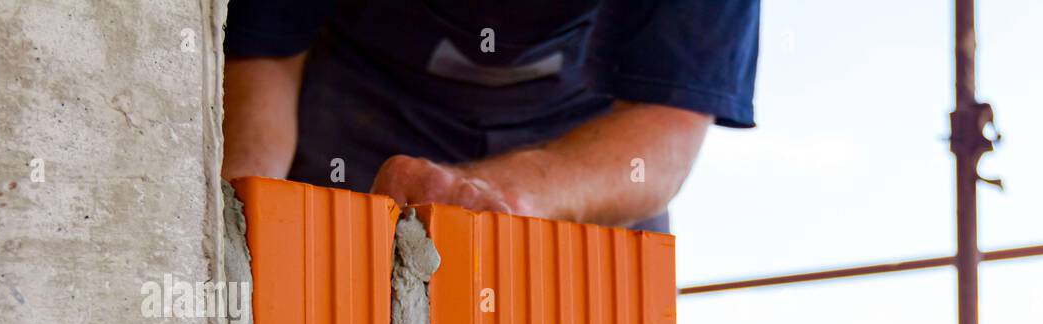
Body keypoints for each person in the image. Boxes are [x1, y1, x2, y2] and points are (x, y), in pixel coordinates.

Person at [221, 1, 760, 231]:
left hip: (591, 144)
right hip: (359, 104)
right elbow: (265, 53)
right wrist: (243, 215)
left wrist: (502, 194)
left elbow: (662, 136)